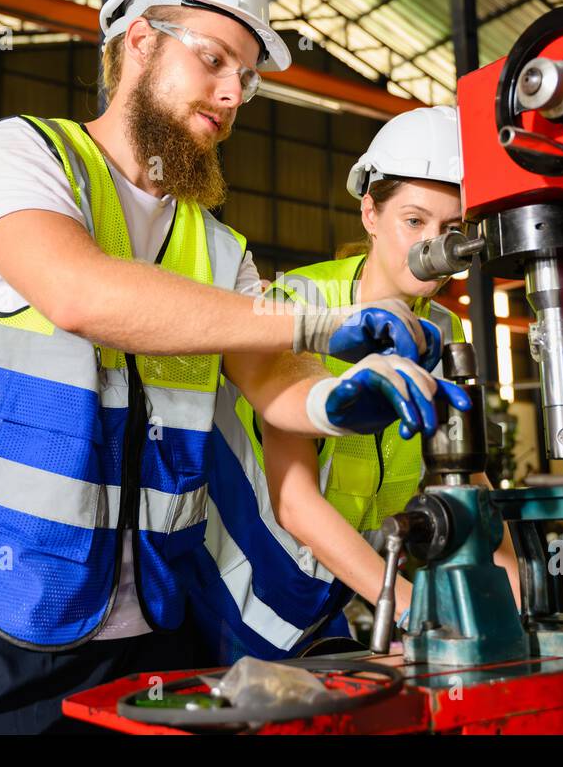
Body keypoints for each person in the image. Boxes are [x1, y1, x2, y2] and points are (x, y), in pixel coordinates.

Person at [0, 0, 470, 733]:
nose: (233, 93)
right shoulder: (25, 156)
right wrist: (322, 322)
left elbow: (272, 381)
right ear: (140, 42)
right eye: (215, 59)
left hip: (153, 619)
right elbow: (80, 293)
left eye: (248, 77)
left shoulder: (219, 246)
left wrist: (337, 399)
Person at [185, 105, 521, 663]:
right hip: (241, 580)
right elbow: (294, 502)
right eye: (414, 221)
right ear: (369, 211)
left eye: (452, 229)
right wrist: (414, 609)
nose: (431, 247)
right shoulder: (294, 305)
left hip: (338, 583)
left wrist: (512, 583)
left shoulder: (444, 329)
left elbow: (463, 470)